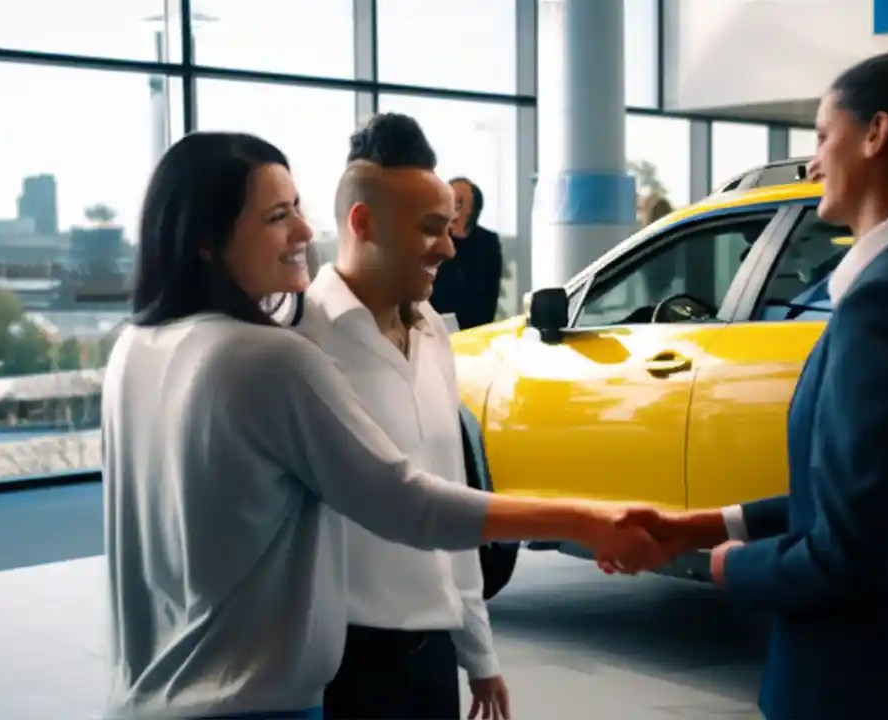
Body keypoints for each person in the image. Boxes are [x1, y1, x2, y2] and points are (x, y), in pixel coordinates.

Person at [101, 130, 664, 719]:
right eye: (276, 216)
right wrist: (583, 518)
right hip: (255, 700)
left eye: (296, 208)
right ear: (206, 242)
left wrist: (477, 650)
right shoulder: (273, 355)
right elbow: (409, 503)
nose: (301, 231)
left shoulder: (133, 349)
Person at [631, 51, 888, 719]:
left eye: (822, 135)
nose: (812, 163)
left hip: (870, 683)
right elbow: (882, 494)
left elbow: (848, 555)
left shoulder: (885, 304)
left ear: (876, 133)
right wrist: (712, 523)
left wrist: (729, 566)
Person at [293, 114, 509, 720]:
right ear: (363, 223)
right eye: (431, 229)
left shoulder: (436, 332)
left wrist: (479, 655)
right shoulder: (299, 341)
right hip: (339, 671)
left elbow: (450, 503)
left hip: (432, 662)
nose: (449, 246)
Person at [428, 175, 503, 330]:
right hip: (435, 330)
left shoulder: (488, 242)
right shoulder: (432, 240)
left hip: (475, 333)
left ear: (474, 208)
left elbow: (490, 295)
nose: (453, 208)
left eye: (459, 203)